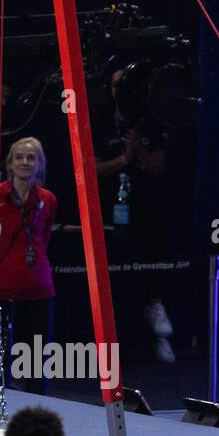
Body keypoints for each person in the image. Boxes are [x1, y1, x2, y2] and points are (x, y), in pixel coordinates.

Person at [94, 68, 177, 363]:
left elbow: (158, 165)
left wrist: (137, 153)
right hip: (107, 208)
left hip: (145, 207)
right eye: (115, 84)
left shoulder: (149, 120)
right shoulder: (101, 122)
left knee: (149, 256)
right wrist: (124, 159)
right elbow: (90, 168)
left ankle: (158, 327)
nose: (120, 89)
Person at [0, 137, 57, 395]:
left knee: (35, 360)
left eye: (31, 158)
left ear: (40, 164)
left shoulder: (48, 199)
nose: (25, 162)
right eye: (19, 157)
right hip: (2, 289)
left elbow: (44, 238)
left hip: (39, 288)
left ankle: (37, 412)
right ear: (9, 163)